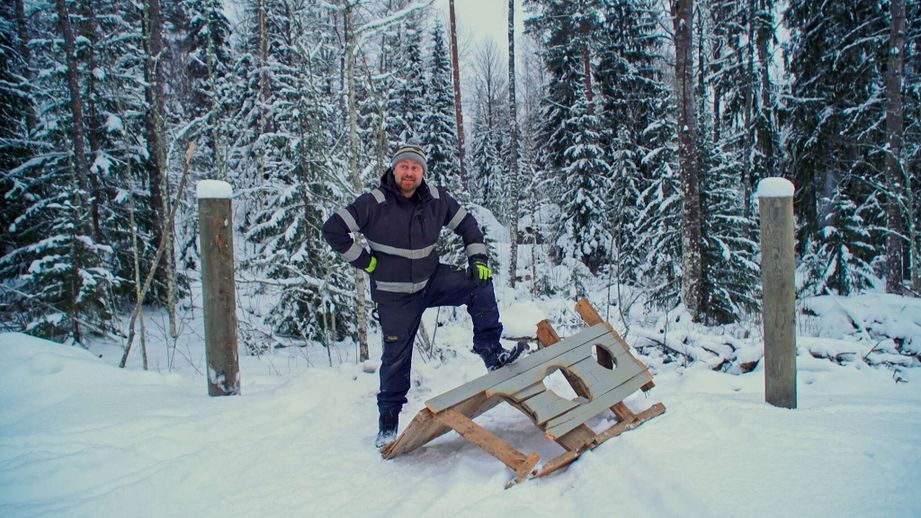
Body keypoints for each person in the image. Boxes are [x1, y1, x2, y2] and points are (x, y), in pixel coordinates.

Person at [322, 140, 526, 448]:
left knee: (479, 284)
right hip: (394, 295)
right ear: (394, 170)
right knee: (395, 359)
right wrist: (365, 262)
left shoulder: (436, 199)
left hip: (431, 281)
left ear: (422, 172)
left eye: (415, 167)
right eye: (404, 166)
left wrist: (478, 259)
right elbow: (333, 229)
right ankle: (388, 424)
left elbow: (468, 225)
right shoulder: (373, 202)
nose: (409, 172)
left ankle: (491, 353)